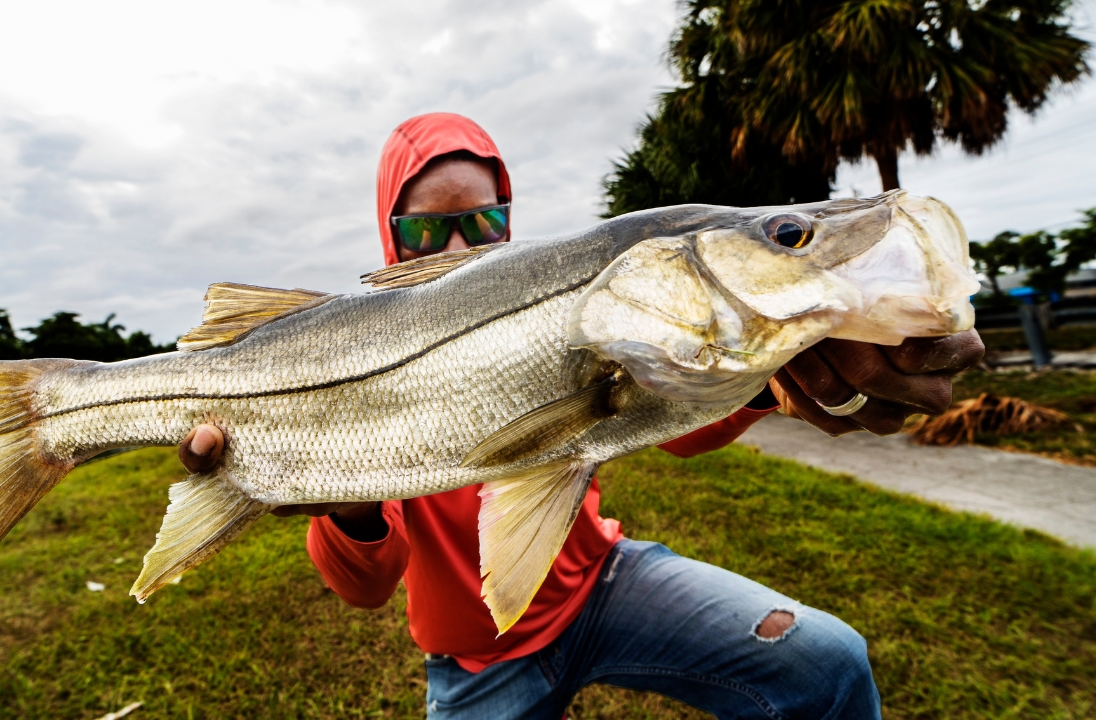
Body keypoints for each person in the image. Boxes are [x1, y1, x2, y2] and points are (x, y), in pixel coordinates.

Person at [179, 113, 984, 718]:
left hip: (602, 584)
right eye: (427, 228)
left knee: (829, 665)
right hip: (473, 656)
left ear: (509, 218)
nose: (461, 245)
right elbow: (365, 587)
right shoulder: (348, 350)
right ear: (388, 236)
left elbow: (674, 409)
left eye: (485, 221)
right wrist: (350, 504)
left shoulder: (583, 304)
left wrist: (806, 381)